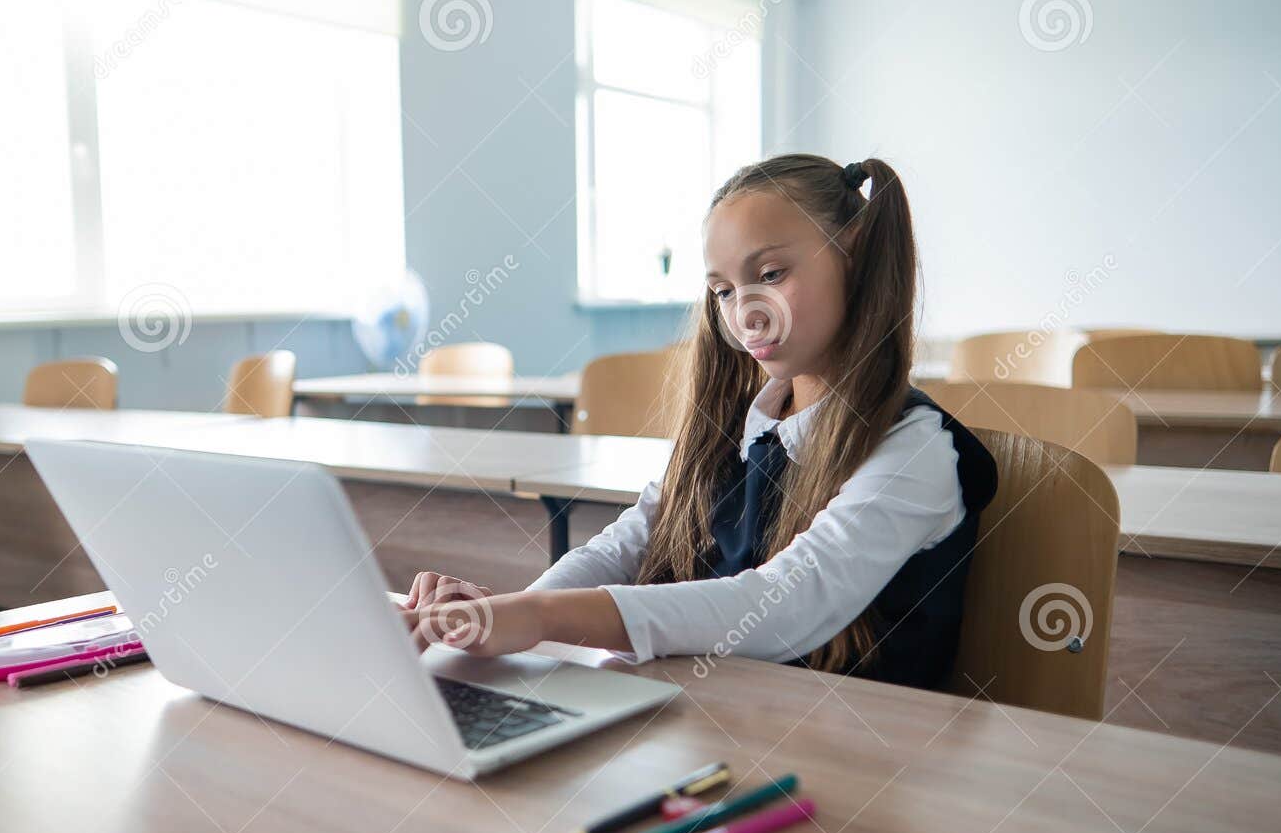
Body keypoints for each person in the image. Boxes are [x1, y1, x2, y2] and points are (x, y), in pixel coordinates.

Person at [401, 153, 997, 689]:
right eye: (722, 290)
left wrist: (537, 619)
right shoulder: (739, 430)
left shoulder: (913, 450)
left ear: (859, 254)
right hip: (727, 726)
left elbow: (780, 606)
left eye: (770, 275)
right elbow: (630, 544)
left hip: (855, 765)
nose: (745, 314)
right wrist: (501, 612)